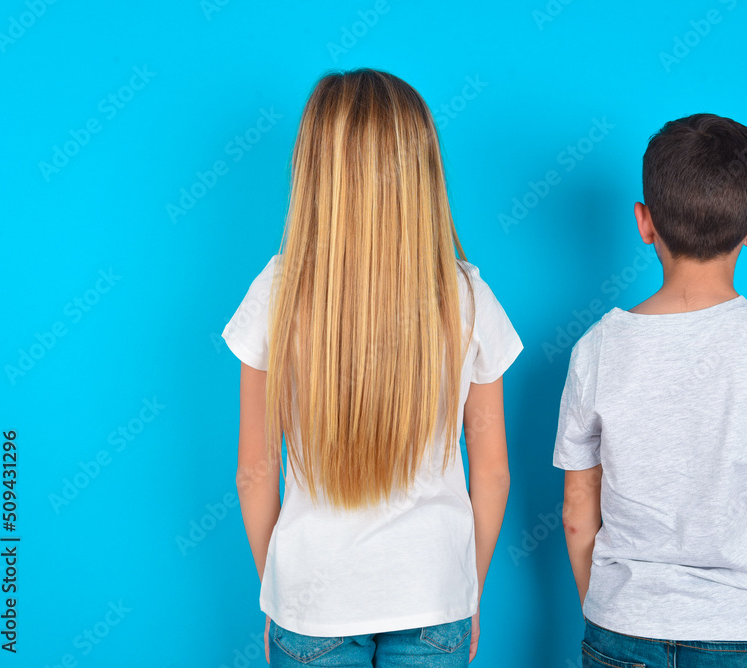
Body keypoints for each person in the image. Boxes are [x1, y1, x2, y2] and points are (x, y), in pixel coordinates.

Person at [221, 68, 522, 667]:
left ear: (314, 170)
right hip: (434, 597)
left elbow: (255, 471)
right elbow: (491, 473)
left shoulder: (276, 293)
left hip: (312, 604)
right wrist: (469, 589)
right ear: (421, 170)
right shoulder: (465, 296)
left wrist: (277, 592)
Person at [554, 113, 747, 668]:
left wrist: (607, 607)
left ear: (644, 222)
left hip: (623, 622)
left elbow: (577, 511)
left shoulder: (596, 349)